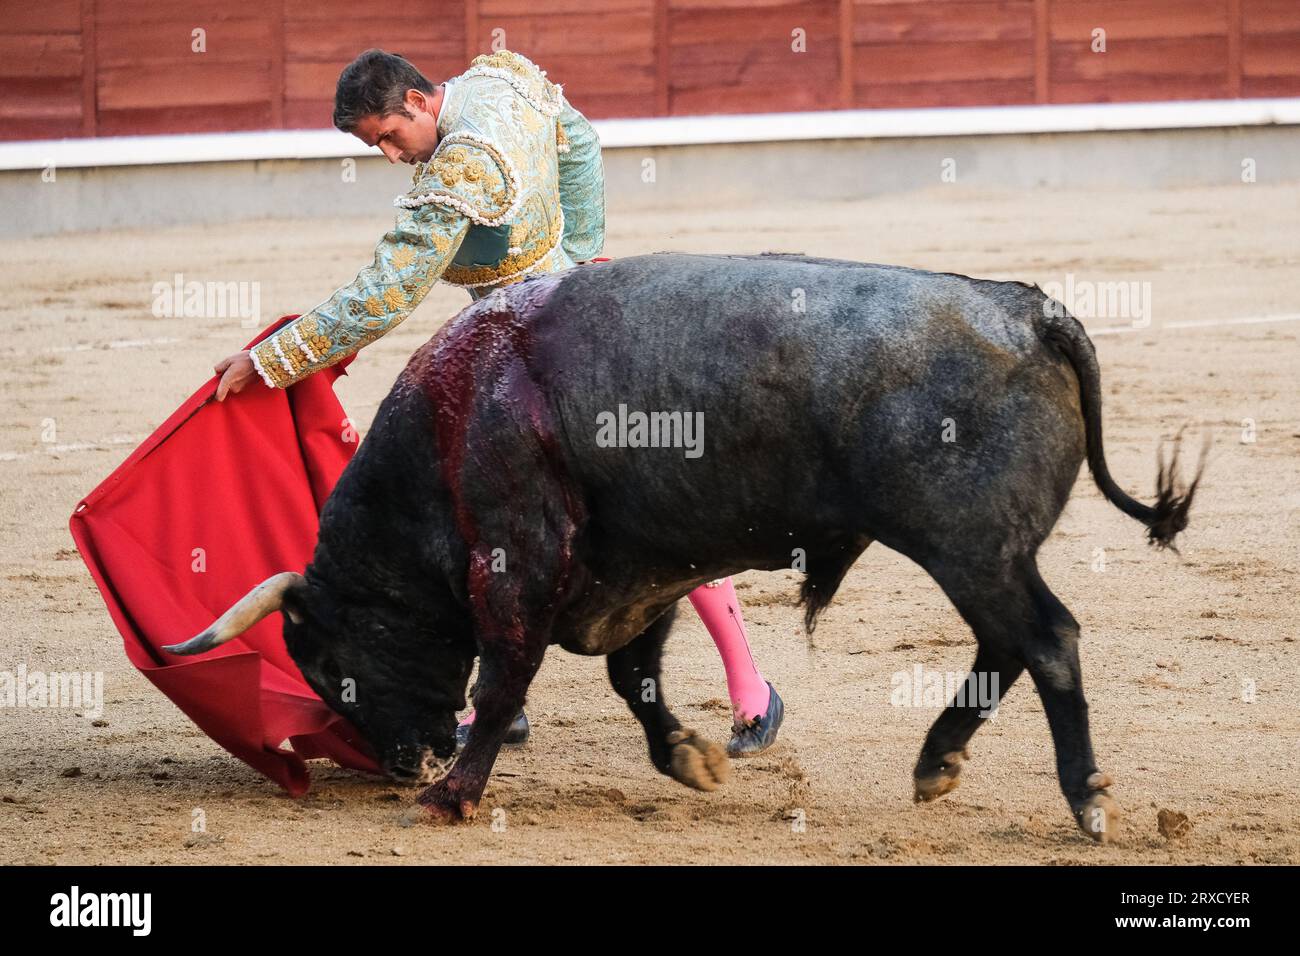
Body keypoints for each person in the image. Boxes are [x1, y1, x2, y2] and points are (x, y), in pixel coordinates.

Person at [211, 48, 783, 756]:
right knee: (594, 516)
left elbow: (391, 290)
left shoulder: (463, 165)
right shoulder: (500, 80)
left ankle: (743, 688)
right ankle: (518, 706)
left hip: (533, 359)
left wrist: (273, 358)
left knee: (568, 515)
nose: (391, 156)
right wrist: (580, 254)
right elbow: (579, 141)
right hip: (565, 328)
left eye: (389, 136)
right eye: (375, 147)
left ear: (419, 102)